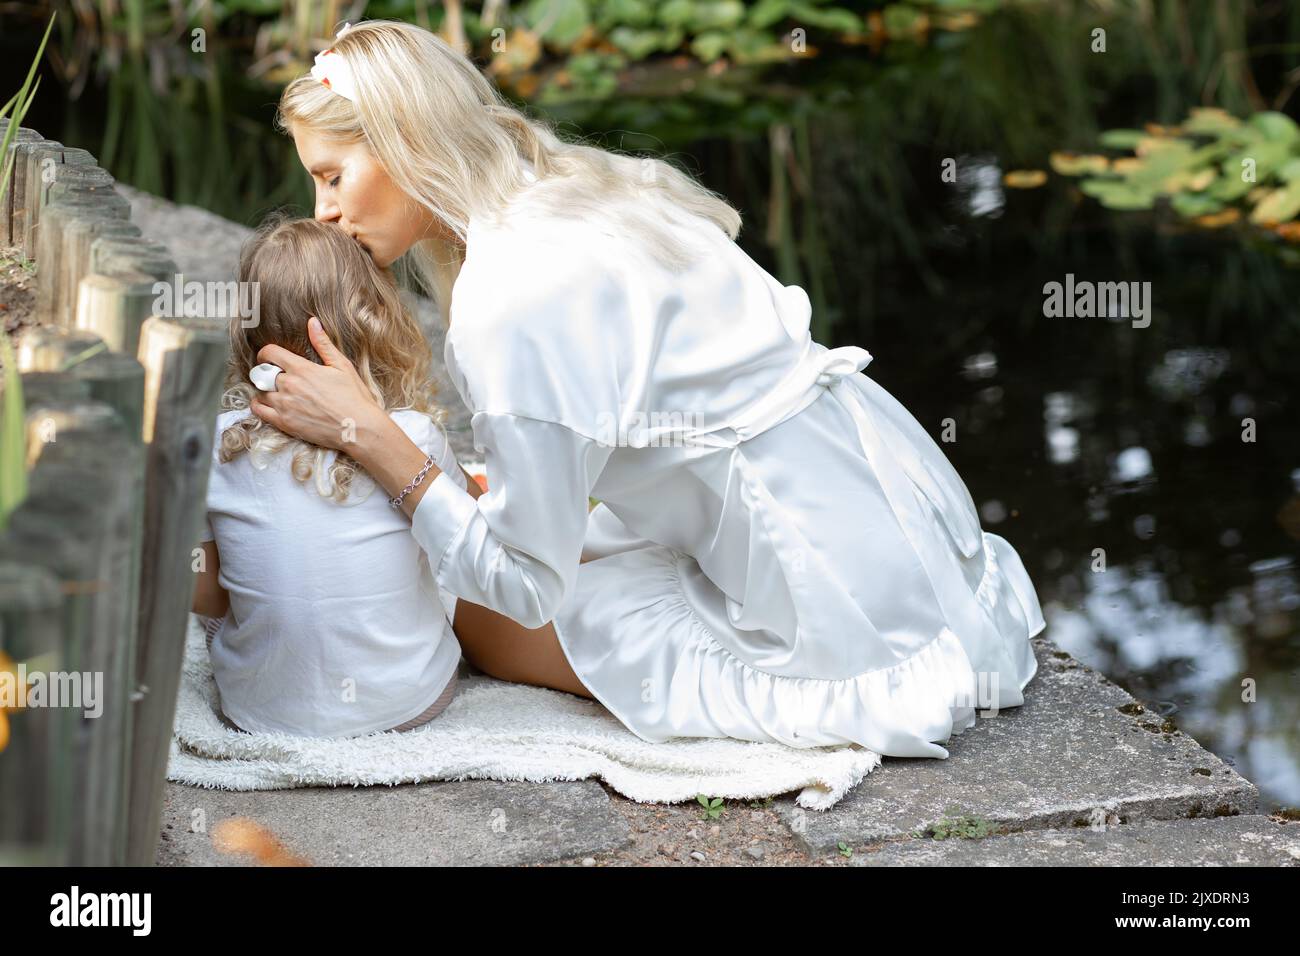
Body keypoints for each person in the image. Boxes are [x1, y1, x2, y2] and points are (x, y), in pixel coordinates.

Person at [250, 19, 1046, 758]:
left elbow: (525, 588)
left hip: (830, 595)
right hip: (902, 516)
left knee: (476, 614)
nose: (325, 212)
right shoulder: (575, 188)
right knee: (534, 536)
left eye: (333, 176)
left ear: (405, 139)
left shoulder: (507, 300)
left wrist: (373, 437)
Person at [191, 214, 479, 737]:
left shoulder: (215, 445)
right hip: (409, 704)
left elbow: (206, 595)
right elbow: (468, 540)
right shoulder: (411, 437)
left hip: (258, 714)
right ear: (377, 319)